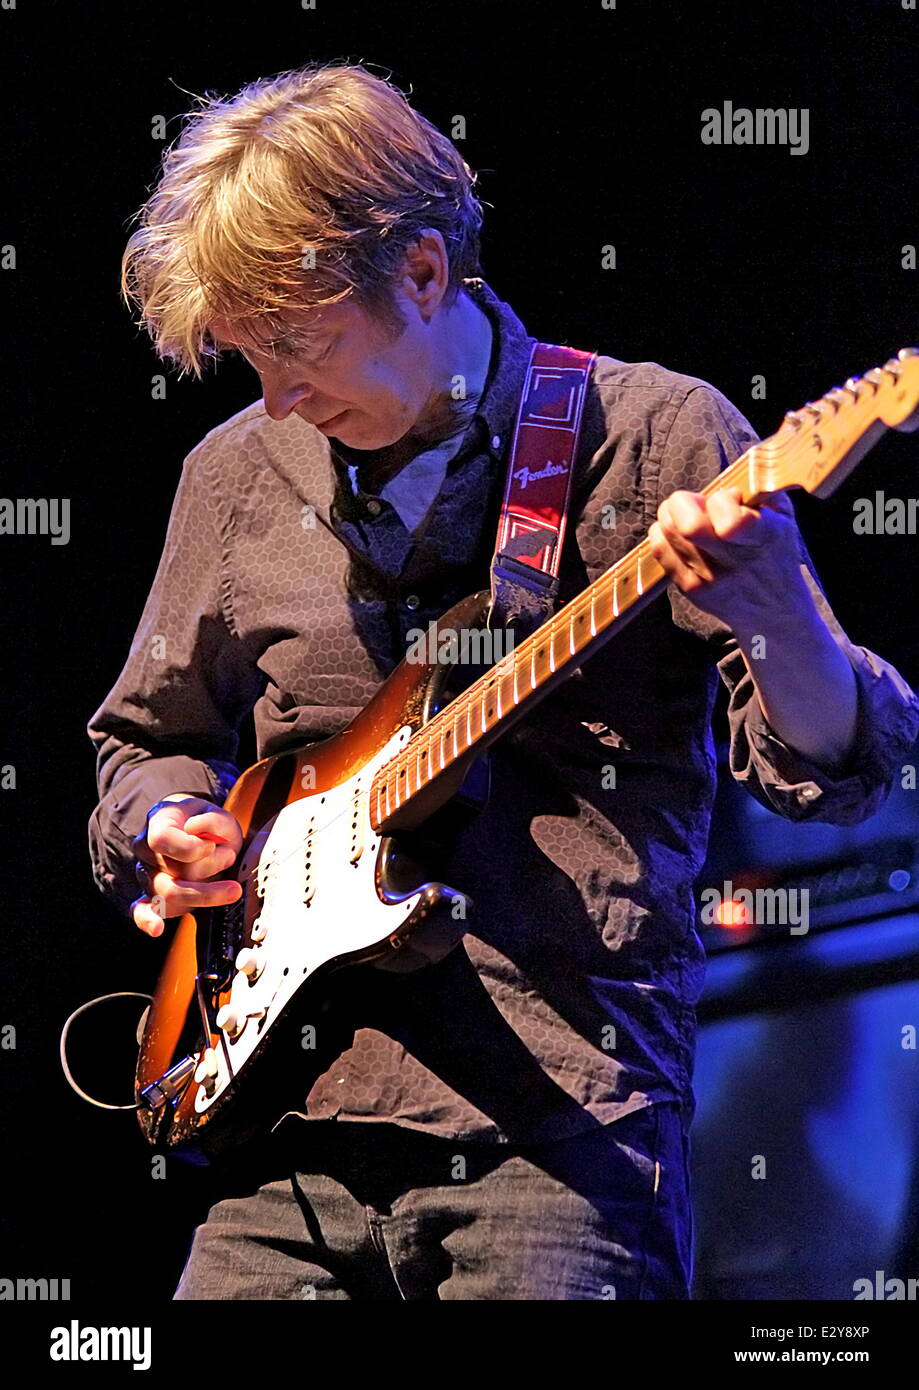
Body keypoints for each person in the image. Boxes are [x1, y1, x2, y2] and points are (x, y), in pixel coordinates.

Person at [87, 61, 919, 1301]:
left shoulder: (653, 436)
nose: (278, 397)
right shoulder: (232, 475)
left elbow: (834, 774)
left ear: (423, 272)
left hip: (560, 1136)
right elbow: (143, 735)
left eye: (299, 345)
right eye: (251, 358)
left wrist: (779, 613)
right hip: (282, 1136)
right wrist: (165, 818)